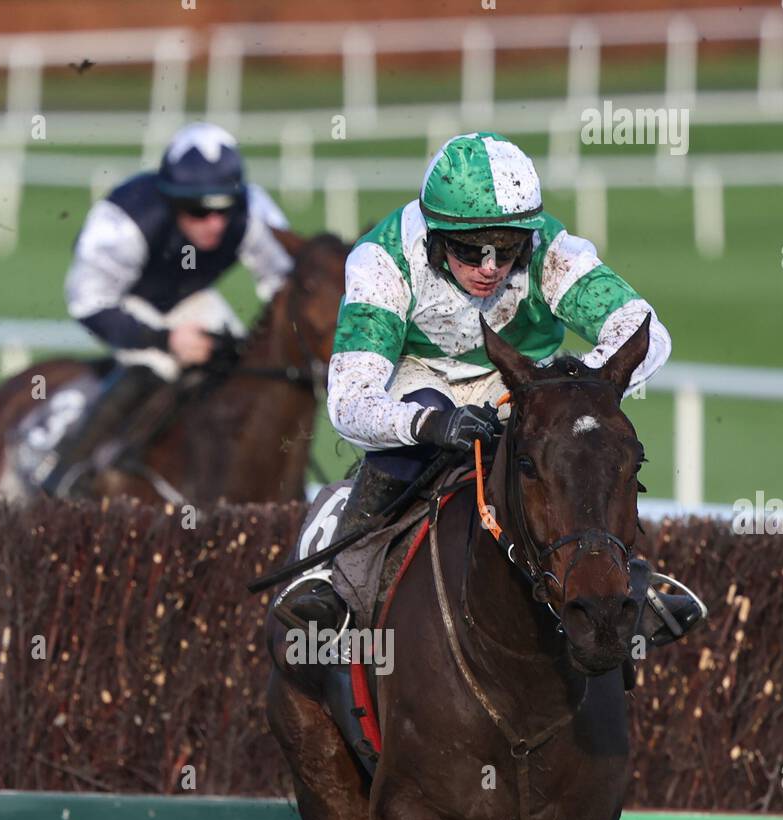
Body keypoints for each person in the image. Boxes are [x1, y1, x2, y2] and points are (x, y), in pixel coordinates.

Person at [275, 131, 704, 645]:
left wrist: (571, 388)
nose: (489, 267)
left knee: (578, 442)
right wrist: (433, 423)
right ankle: (340, 577)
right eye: (470, 249)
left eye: (507, 249)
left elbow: (643, 327)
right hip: (420, 383)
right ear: (435, 236)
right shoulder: (381, 261)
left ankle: (630, 579)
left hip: (523, 385)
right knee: (421, 417)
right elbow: (350, 401)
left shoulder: (551, 249)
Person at [42, 122, 294, 495]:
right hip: (124, 300)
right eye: (198, 210)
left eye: (224, 209)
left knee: (242, 362)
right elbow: (86, 301)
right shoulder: (128, 218)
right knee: (156, 364)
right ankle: (66, 477)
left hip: (187, 299)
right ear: (172, 200)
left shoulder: (252, 209)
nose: (214, 224)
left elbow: (286, 281)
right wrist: (164, 338)